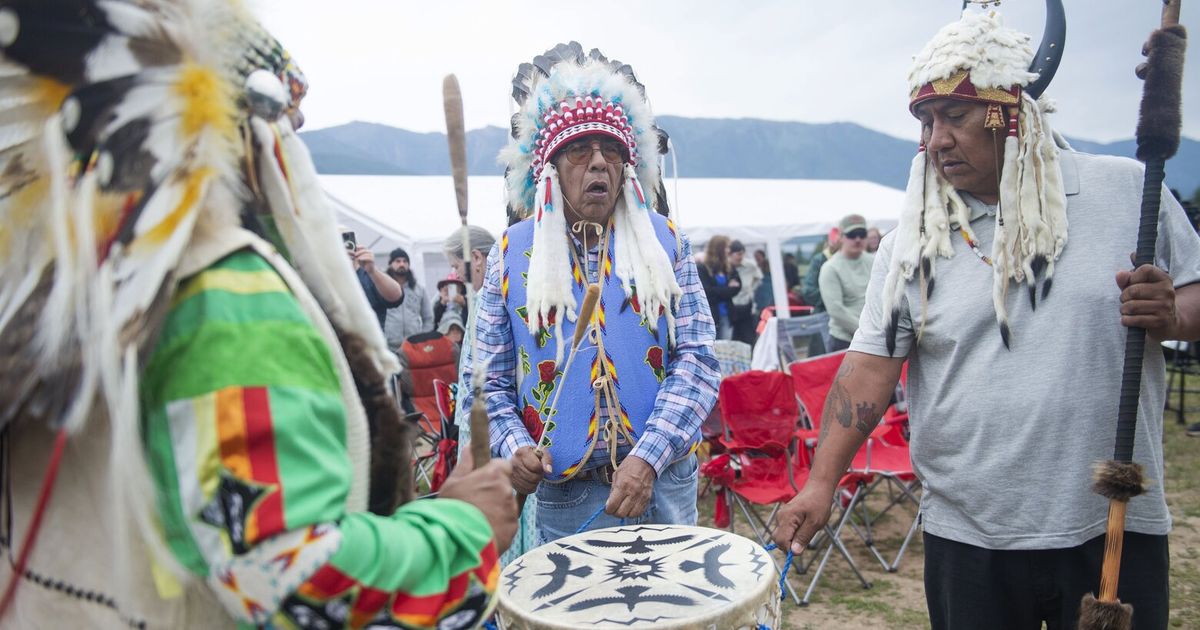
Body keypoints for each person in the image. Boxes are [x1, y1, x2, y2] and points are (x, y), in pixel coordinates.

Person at [0, 5, 516, 628]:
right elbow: (295, 576)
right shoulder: (221, 291)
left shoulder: (67, 295)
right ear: (258, 140)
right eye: (291, 127)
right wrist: (459, 526)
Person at [772, 10, 1200, 630]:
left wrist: (1170, 314)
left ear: (1012, 113)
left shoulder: (1130, 193)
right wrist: (820, 484)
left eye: (955, 116)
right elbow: (868, 371)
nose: (934, 140)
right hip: (968, 534)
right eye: (925, 120)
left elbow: (1194, 301)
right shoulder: (910, 243)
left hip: (1112, 521)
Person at [469, 42, 720, 546]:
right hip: (569, 496)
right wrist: (514, 447)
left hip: (663, 481)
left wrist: (648, 456)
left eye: (612, 153)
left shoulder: (666, 243)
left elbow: (697, 361)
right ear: (550, 170)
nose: (599, 164)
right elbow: (487, 386)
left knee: (672, 618)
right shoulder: (510, 257)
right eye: (580, 152)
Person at [818, 214, 874, 351]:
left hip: (875, 337)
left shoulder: (875, 261)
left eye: (862, 234)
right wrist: (865, 331)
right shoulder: (830, 268)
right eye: (852, 235)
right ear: (841, 237)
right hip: (845, 342)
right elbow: (836, 310)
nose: (858, 239)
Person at [383, 246, 432, 349]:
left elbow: (428, 318)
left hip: (414, 346)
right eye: (398, 261)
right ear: (390, 264)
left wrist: (422, 338)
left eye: (405, 261)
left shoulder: (419, 290)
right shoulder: (382, 288)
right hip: (389, 347)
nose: (402, 264)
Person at [349, 239, 403, 329]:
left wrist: (372, 270)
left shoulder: (369, 275)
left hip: (368, 341)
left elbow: (397, 298)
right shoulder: (324, 276)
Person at [698, 235, 742, 340]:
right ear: (719, 248)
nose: (729, 250)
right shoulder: (703, 267)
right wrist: (727, 289)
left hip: (727, 315)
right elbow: (706, 291)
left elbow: (737, 287)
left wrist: (718, 291)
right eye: (727, 247)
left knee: (725, 351)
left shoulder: (729, 267)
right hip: (710, 317)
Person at [800, 226, 841, 312]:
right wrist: (834, 297)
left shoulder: (851, 259)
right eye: (834, 241)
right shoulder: (819, 260)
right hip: (824, 312)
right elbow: (808, 291)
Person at [729, 240, 762, 345]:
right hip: (731, 307)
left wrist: (750, 290)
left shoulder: (750, 265)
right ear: (730, 254)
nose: (740, 257)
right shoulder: (726, 266)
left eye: (742, 254)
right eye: (738, 254)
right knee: (733, 339)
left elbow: (758, 278)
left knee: (749, 338)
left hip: (746, 305)